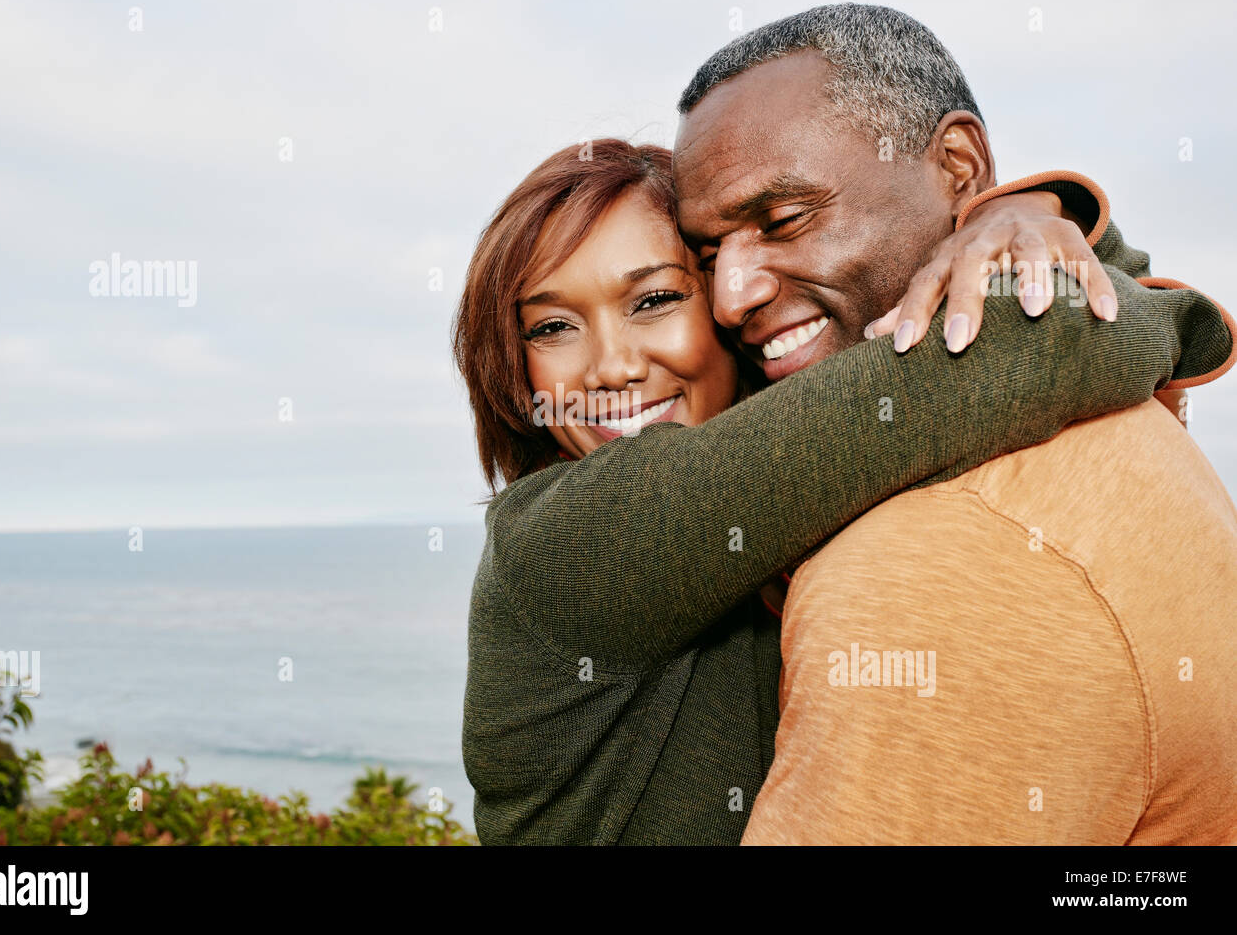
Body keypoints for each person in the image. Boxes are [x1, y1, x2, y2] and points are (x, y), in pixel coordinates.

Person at [454, 136, 1232, 844]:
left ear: (731, 303)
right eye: (551, 327)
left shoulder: (791, 502)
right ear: (511, 366)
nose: (611, 368)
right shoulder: (562, 550)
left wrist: (1017, 222)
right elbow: (1047, 337)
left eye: (654, 300)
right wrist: (1116, 289)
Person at [663, 3, 1237, 844]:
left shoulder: (930, 559)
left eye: (782, 221)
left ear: (959, 167)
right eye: (708, 257)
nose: (731, 296)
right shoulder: (1091, 419)